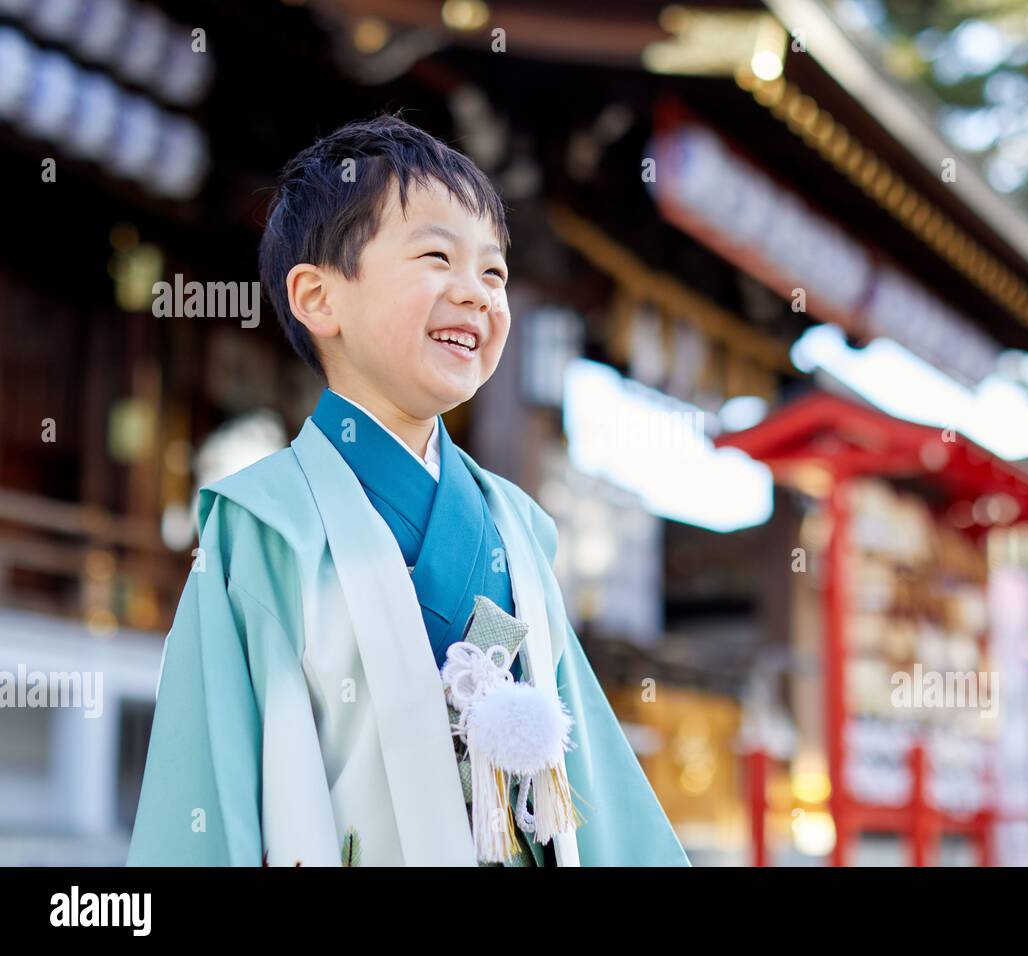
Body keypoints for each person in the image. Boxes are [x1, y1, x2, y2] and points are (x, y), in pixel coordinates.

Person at [126, 113, 689, 867]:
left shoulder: (518, 527)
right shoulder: (262, 528)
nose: (478, 294)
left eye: (494, 273)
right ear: (319, 299)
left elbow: (597, 785)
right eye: (436, 257)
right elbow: (204, 792)